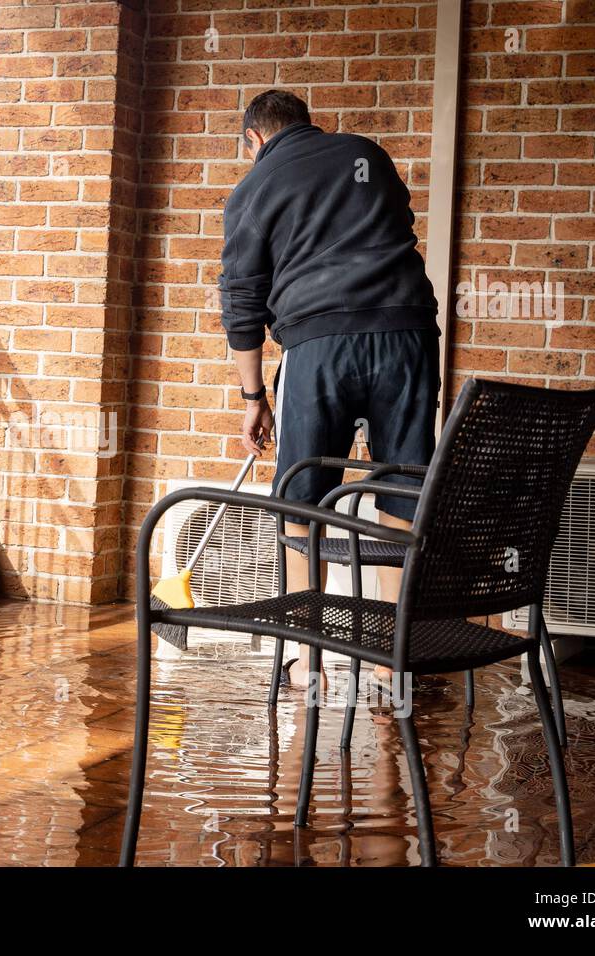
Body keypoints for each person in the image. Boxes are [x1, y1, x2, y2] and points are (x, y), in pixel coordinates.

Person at [218, 89, 440, 688]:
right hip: (408, 335)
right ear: (305, 125)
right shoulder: (367, 153)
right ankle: (394, 667)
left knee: (301, 502)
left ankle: (303, 661)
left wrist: (253, 399)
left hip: (319, 345)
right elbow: (397, 225)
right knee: (401, 497)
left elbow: (241, 303)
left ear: (255, 141)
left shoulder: (253, 188)